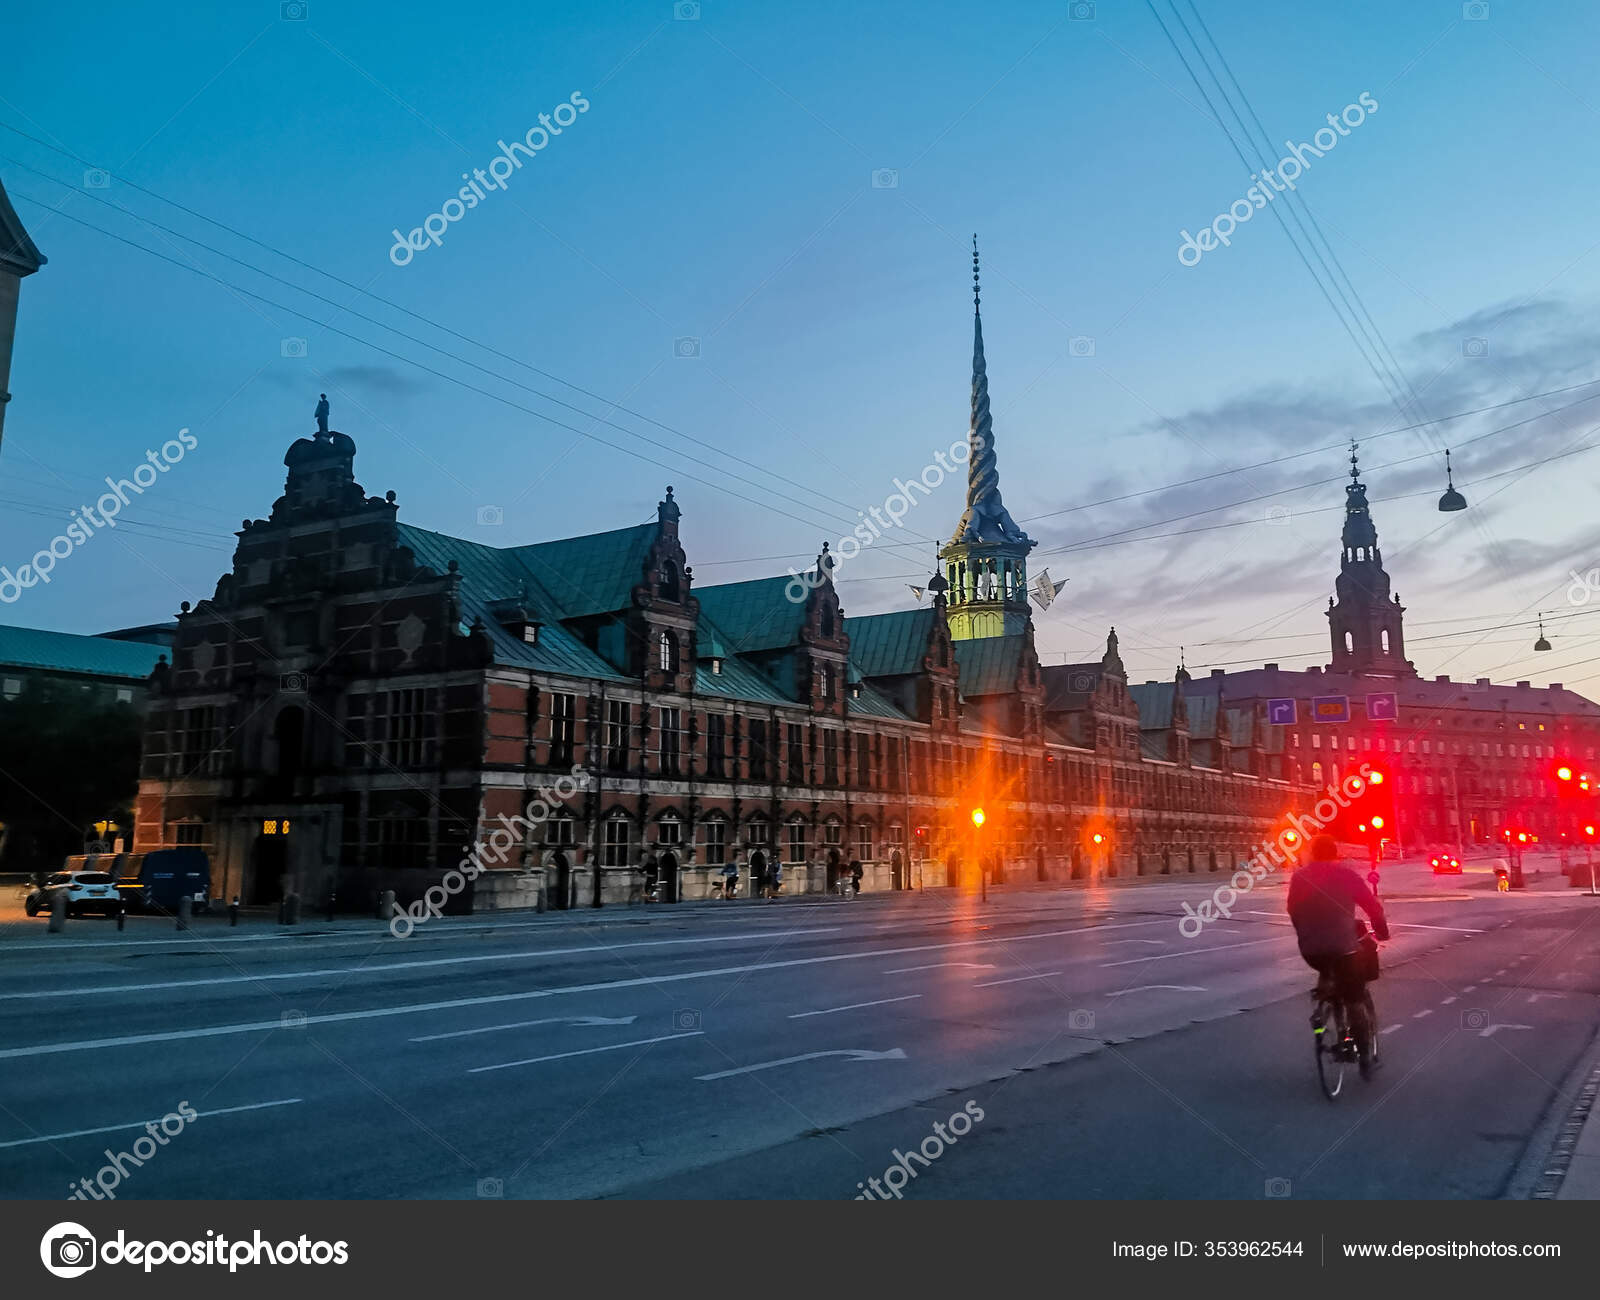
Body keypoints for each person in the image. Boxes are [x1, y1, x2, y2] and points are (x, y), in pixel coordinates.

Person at [1287, 833, 1390, 1072]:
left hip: (1310, 949)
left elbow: (1293, 910)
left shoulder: (1299, 876)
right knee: (1354, 997)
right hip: (1343, 948)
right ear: (1336, 855)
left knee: (1326, 967)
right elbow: (1373, 908)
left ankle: (1322, 1008)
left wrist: (1304, 933)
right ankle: (1365, 1057)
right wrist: (1382, 931)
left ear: (1313, 855)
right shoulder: (1346, 875)